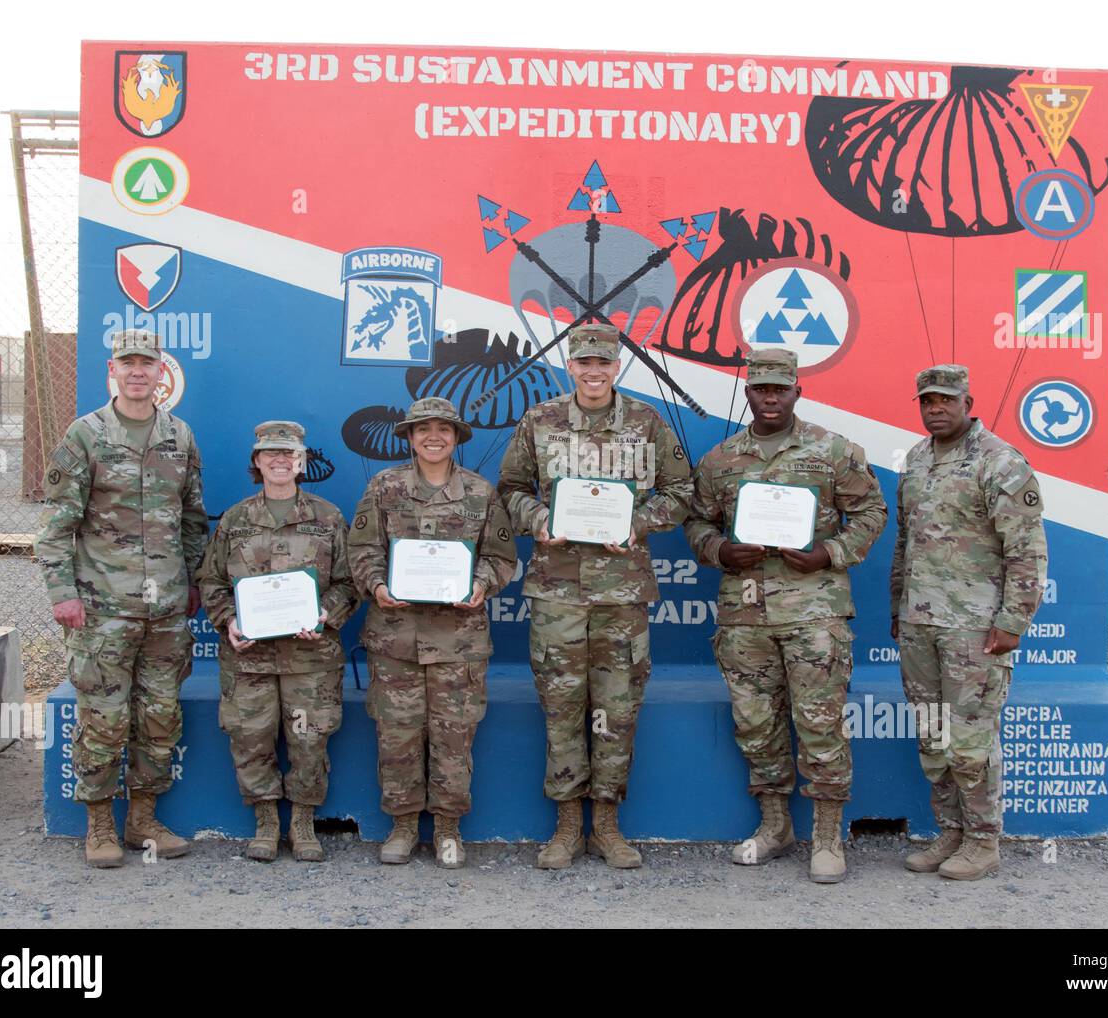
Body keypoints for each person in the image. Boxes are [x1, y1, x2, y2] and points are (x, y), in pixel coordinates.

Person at [684, 348, 887, 883]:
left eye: (780, 389)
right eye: (760, 389)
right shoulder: (721, 459)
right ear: (747, 393)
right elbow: (697, 521)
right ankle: (776, 824)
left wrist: (831, 553)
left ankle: (826, 834)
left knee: (819, 723)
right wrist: (719, 552)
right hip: (745, 614)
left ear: (798, 391)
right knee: (756, 724)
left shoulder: (833, 451)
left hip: (813, 611)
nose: (770, 398)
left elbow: (871, 510)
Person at [497, 323, 693, 870]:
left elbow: (682, 491)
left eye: (602, 364)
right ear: (569, 365)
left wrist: (638, 522)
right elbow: (510, 489)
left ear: (617, 368)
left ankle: (606, 822)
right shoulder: (540, 421)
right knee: (561, 708)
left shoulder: (647, 423)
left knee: (617, 707)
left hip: (621, 594)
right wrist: (539, 519)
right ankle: (565, 827)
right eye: (583, 363)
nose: (593, 372)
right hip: (557, 591)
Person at [35, 330, 207, 868]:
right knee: (104, 719)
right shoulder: (85, 435)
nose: (138, 372)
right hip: (101, 607)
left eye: (147, 364)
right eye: (128, 363)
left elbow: (193, 519)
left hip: (165, 612)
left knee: (159, 717)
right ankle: (99, 825)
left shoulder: (180, 437)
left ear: (162, 374)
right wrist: (63, 593)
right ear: (113, 370)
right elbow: (56, 527)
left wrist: (195, 582)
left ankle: (143, 819)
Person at [891, 364, 1047, 880]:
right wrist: (899, 608)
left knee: (971, 738)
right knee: (934, 735)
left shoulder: (1000, 462)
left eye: (945, 400)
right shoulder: (915, 460)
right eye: (927, 401)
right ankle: (950, 832)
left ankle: (983, 841)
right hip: (920, 623)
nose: (936, 409)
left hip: (975, 629)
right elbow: (905, 544)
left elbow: (1026, 551)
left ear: (967, 402)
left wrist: (1012, 621)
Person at [348, 397, 516, 868]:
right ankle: (402, 826)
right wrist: (377, 586)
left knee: (453, 737)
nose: (433, 437)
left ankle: (447, 828)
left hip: (458, 641)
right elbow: (361, 549)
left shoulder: (481, 493)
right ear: (409, 437)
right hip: (395, 637)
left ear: (457, 436)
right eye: (423, 429)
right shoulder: (384, 487)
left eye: (443, 429)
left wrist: (481, 584)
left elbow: (501, 557)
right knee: (397, 736)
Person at [195, 421, 358, 863]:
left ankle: (302, 823)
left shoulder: (327, 518)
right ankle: (266, 822)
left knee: (309, 741)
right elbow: (210, 581)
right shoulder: (235, 519)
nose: (280, 460)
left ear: (302, 461)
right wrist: (229, 620)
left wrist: (327, 616)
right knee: (251, 739)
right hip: (249, 661)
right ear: (256, 462)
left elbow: (349, 582)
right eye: (270, 454)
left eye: (289, 453)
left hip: (311, 658)